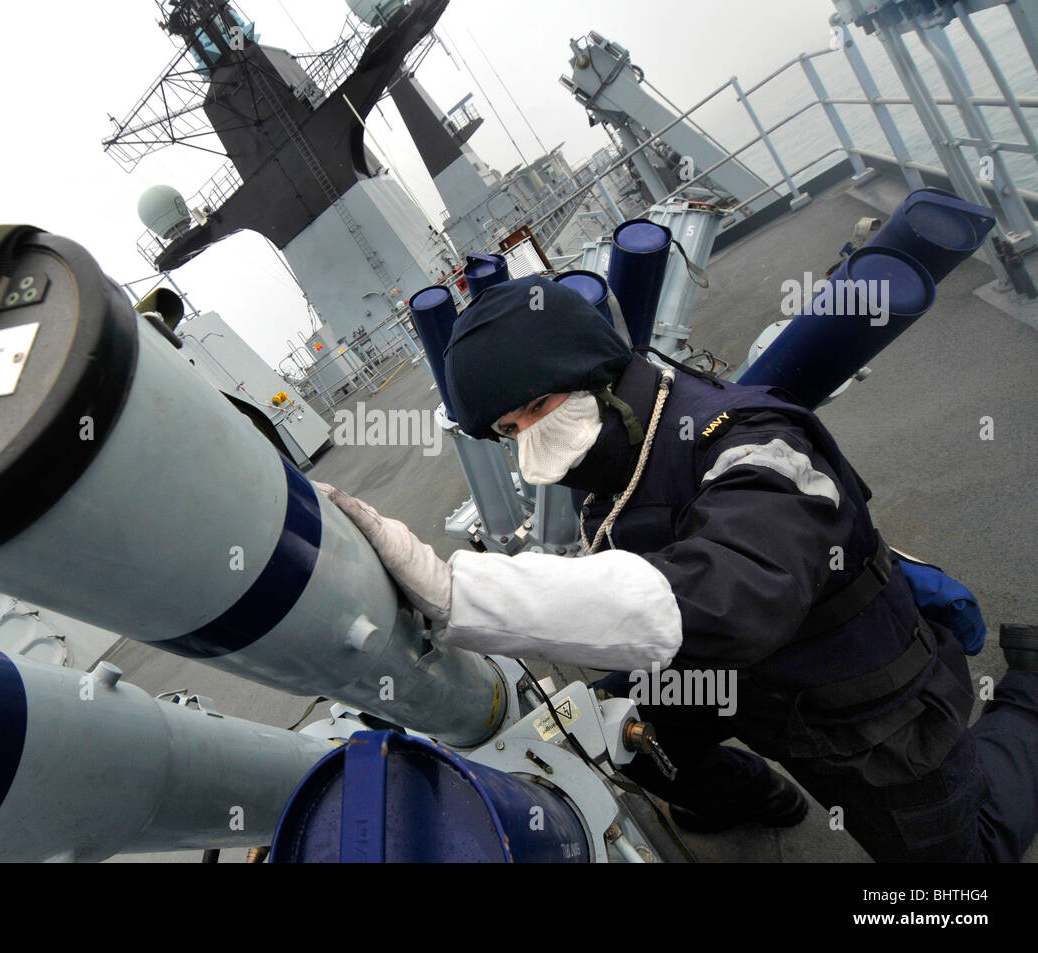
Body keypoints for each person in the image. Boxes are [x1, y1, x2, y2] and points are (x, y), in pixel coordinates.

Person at [315, 275, 1038, 863]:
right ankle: (756, 796)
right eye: (509, 429)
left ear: (594, 372)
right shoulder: (615, 448)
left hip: (854, 695)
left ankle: (1030, 694)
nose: (528, 439)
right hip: (735, 675)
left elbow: (736, 589)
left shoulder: (752, 438)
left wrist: (460, 592)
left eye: (536, 405)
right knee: (620, 732)